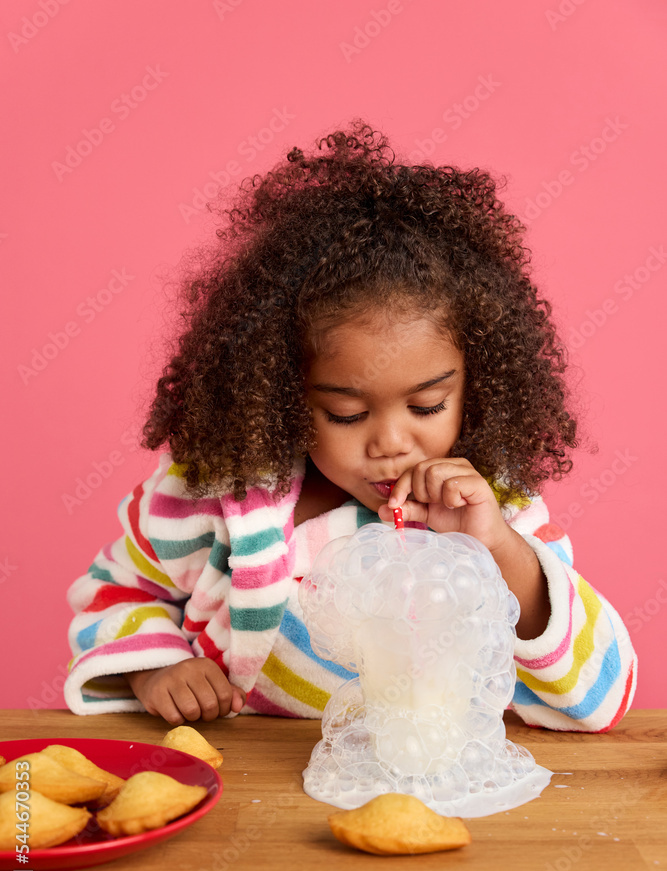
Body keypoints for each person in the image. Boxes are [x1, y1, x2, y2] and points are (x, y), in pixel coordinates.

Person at [63, 120, 637, 732]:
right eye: (346, 414)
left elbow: (603, 696)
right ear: (281, 390)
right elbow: (117, 594)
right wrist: (156, 667)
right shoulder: (209, 492)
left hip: (423, 788)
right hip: (251, 789)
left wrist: (497, 546)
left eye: (426, 407)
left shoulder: (492, 509)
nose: (391, 443)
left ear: (479, 384)